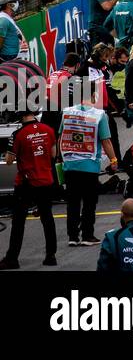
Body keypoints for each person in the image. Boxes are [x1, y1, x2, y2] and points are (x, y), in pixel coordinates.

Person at [60, 82, 119, 247]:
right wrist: (113, 161)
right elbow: (106, 141)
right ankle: (87, 235)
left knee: (72, 203)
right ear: (94, 95)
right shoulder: (99, 115)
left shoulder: (66, 112)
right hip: (89, 166)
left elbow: (60, 137)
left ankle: (72, 236)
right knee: (89, 202)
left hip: (70, 164)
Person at [0, 107, 59, 269]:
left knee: (18, 222)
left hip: (26, 183)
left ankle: (12, 258)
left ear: (20, 116)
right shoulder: (48, 129)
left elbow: (10, 160)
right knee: (47, 218)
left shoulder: (17, 134)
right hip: (46, 180)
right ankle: (51, 255)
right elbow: (53, 154)